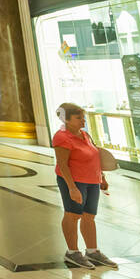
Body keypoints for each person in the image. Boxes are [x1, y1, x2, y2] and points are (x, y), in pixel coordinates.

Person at [52, 102, 117, 269]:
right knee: (73, 215)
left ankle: (92, 251)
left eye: (83, 117)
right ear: (66, 120)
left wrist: (102, 177)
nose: (83, 120)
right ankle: (72, 252)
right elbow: (63, 164)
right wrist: (72, 188)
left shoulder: (85, 135)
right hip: (74, 181)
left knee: (89, 216)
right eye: (78, 117)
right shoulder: (62, 137)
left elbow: (95, 156)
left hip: (92, 180)